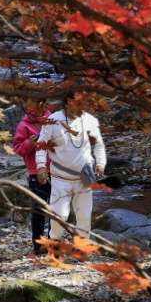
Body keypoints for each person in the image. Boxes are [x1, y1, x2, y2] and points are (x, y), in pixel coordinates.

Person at [35, 90, 106, 241]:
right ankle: (54, 245)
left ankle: (82, 247)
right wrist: (41, 166)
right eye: (78, 101)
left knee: (84, 216)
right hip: (61, 177)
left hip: (85, 176)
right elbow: (41, 145)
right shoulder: (53, 120)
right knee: (60, 216)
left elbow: (99, 145)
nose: (82, 105)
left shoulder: (90, 120)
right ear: (68, 101)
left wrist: (100, 163)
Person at [12, 103, 50, 254]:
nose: (34, 110)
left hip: (55, 171)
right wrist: (30, 143)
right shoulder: (24, 125)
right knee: (38, 211)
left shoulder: (51, 120)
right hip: (35, 172)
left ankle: (53, 242)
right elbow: (18, 149)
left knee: (57, 210)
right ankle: (38, 245)